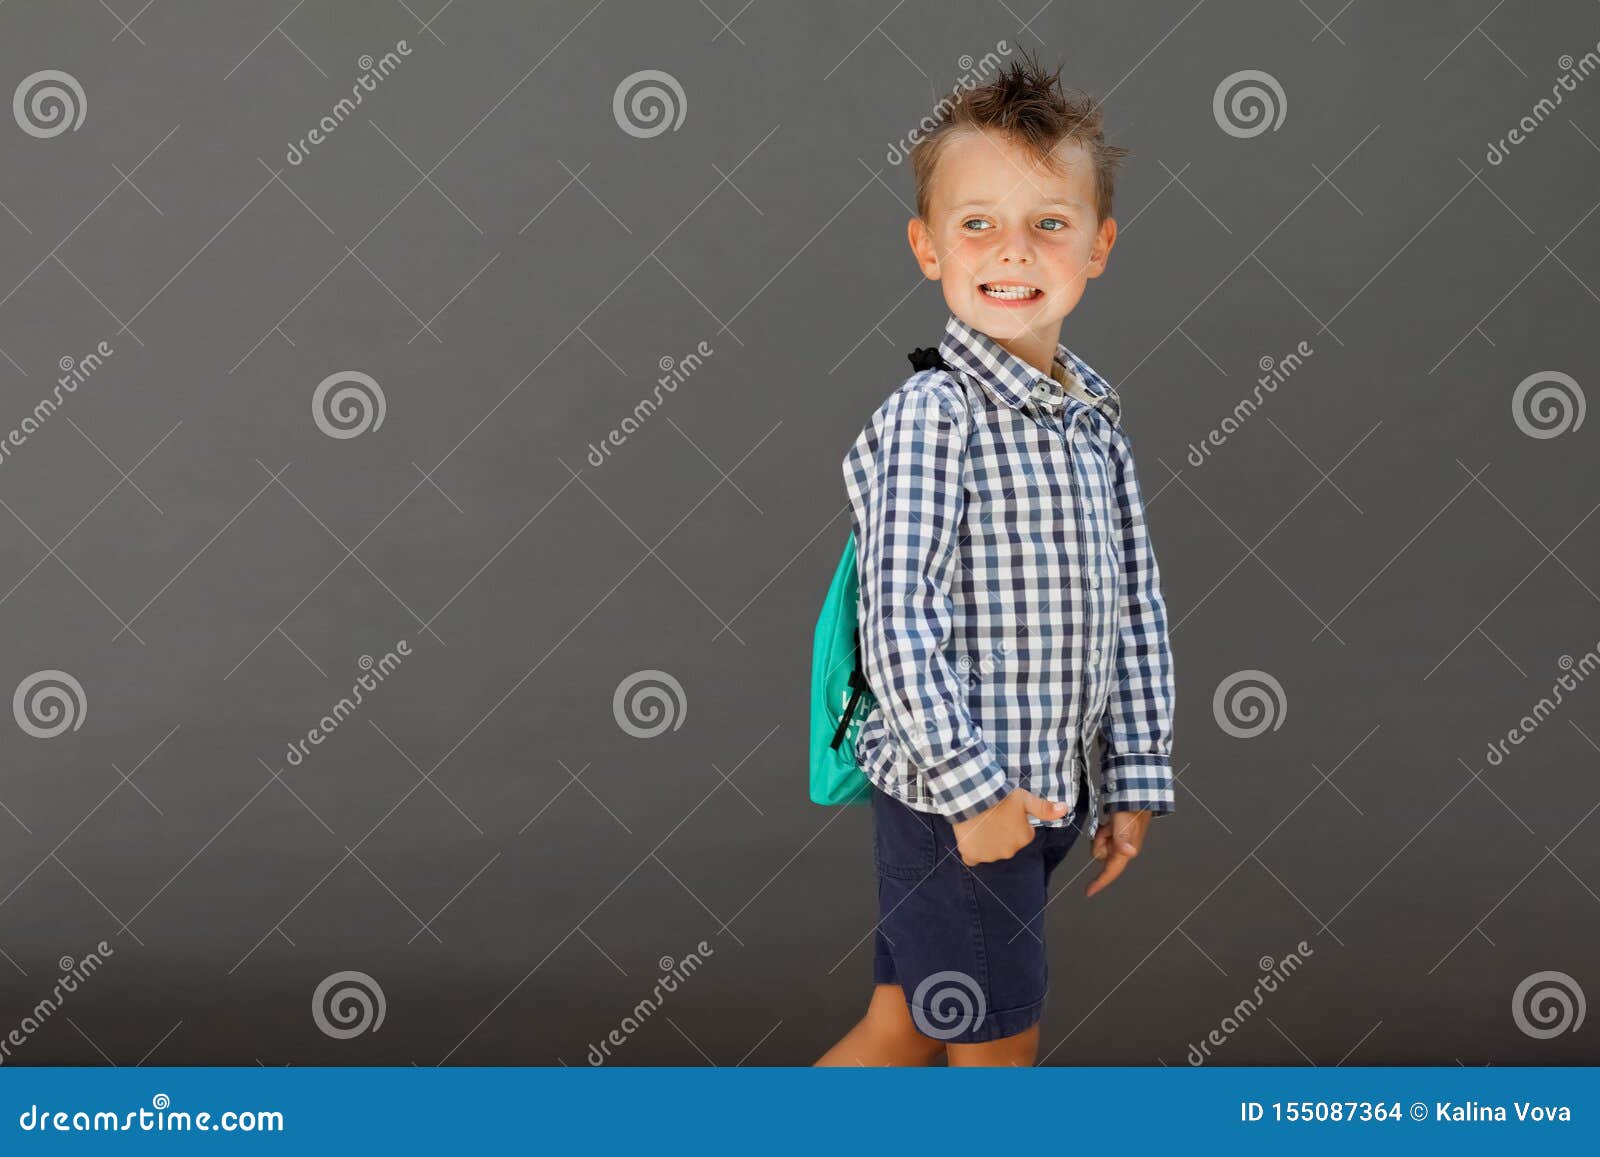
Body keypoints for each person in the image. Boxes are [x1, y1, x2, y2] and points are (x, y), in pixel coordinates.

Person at [816, 52, 1177, 1068]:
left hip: (1047, 795)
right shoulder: (934, 418)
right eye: (976, 223)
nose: (1011, 249)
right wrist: (973, 793)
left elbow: (1133, 602)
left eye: (1048, 223)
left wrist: (1135, 769)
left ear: (1098, 245)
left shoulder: (1091, 421)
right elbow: (897, 623)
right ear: (926, 246)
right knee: (996, 1055)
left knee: (901, 1025)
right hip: (957, 804)